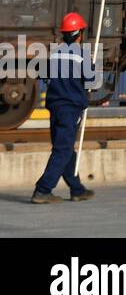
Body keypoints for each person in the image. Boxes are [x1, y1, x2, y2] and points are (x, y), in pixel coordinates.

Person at [31, 12, 96, 204]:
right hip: (71, 108)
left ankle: (77, 189)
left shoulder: (54, 53)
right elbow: (92, 82)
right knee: (63, 150)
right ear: (79, 34)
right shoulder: (82, 55)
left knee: (64, 148)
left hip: (55, 107)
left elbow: (43, 75)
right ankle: (42, 190)